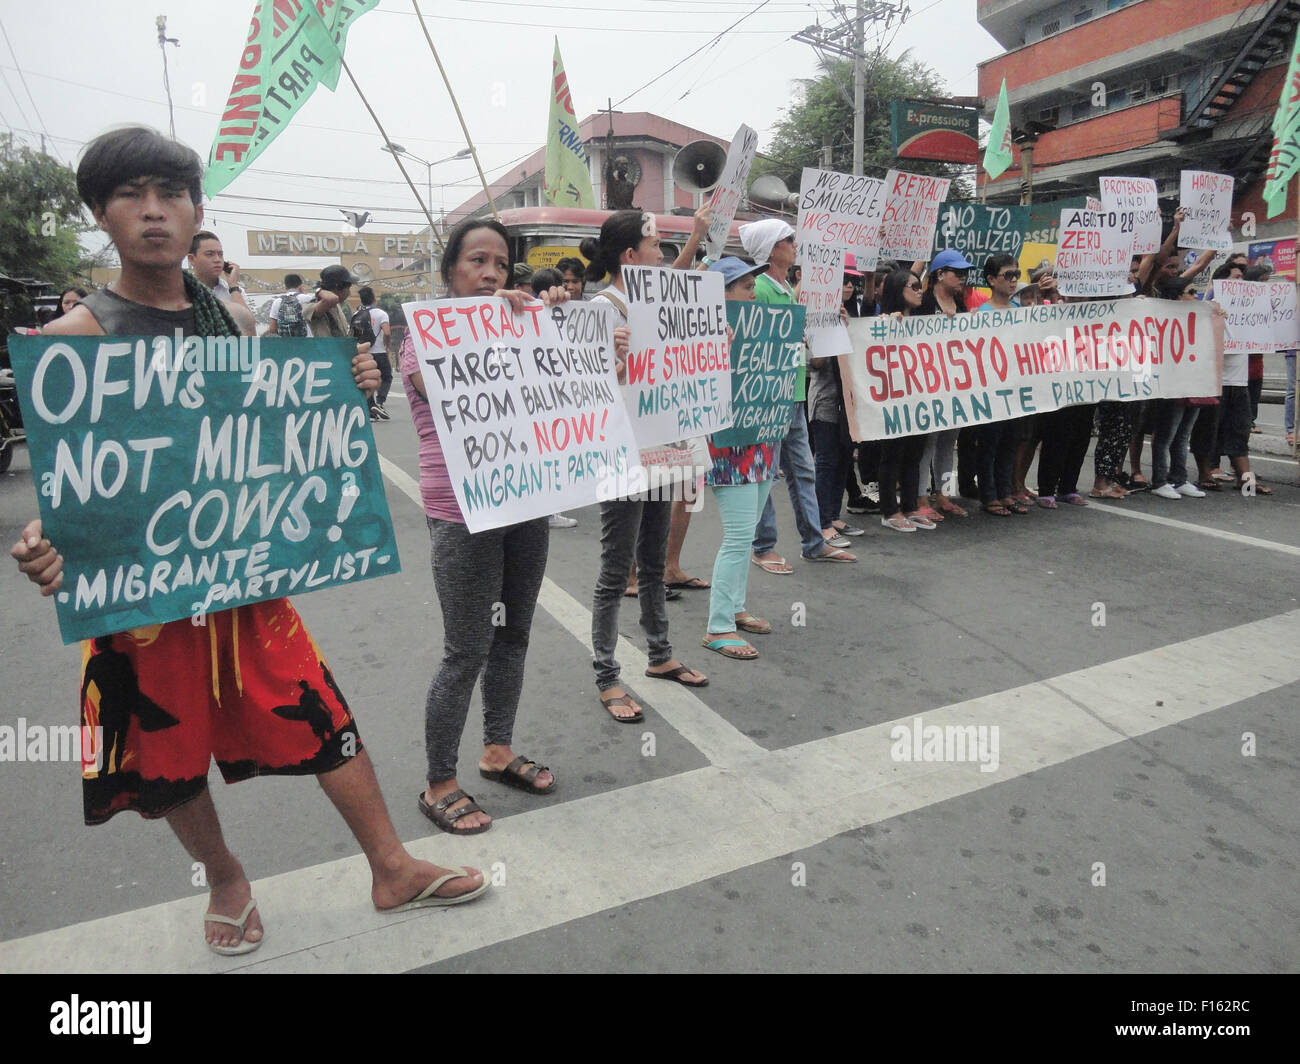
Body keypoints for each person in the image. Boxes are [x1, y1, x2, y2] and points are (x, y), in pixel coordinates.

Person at [11, 126, 486, 958]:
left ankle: (391, 866)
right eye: (131, 196)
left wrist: (349, 387)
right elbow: (72, 487)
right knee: (164, 749)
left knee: (319, 710)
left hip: (242, 573)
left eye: (171, 194)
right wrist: (47, 542)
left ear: (196, 209)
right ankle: (225, 877)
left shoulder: (228, 316)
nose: (153, 212)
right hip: (141, 600)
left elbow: (269, 432)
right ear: (100, 212)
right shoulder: (75, 342)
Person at [401, 217, 570, 829]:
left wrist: (574, 334)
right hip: (463, 514)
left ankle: (497, 750)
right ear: (450, 272)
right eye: (476, 260)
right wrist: (492, 327)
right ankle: (438, 780)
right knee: (465, 650)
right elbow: (440, 383)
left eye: (500, 263)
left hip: (526, 500)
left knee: (513, 636)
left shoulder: (528, 327)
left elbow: (574, 392)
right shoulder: (424, 336)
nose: (491, 273)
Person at [581, 209, 709, 722]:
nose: (662, 255)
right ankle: (607, 676)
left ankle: (660, 655)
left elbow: (678, 290)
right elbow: (582, 387)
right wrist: (613, 361)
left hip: (665, 448)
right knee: (617, 570)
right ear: (631, 256)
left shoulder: (656, 302)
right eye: (656, 246)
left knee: (653, 563)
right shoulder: (601, 309)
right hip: (622, 456)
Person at [743, 218, 856, 571]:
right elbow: (751, 341)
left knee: (803, 470)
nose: (795, 244)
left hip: (792, 392)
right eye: (789, 239)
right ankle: (763, 546)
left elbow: (800, 338)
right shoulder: (758, 289)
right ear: (774, 249)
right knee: (764, 474)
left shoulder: (787, 290)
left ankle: (813, 541)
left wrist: (830, 319)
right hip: (766, 394)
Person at [700, 257, 776, 660]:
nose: (753, 291)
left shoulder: (760, 328)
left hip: (762, 440)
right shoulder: (706, 336)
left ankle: (735, 608)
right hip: (731, 448)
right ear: (723, 293)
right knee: (738, 537)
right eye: (745, 286)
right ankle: (719, 626)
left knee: (745, 537)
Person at [807, 257, 866, 545]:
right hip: (826, 402)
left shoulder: (850, 313)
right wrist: (833, 329)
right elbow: (815, 363)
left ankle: (833, 514)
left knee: (844, 461)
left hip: (848, 404)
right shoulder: (818, 315)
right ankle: (821, 522)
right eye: (845, 280)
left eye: (853, 281)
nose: (850, 286)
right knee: (827, 462)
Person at [915, 249, 973, 522]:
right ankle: (920, 497)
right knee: (928, 442)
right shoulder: (923, 303)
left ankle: (944, 495)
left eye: (964, 273)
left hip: (955, 385)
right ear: (940, 274)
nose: (962, 278)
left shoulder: (962, 306)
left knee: (948, 442)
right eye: (957, 272)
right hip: (927, 385)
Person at [874, 269, 931, 532]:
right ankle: (889, 509)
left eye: (920, 286)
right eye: (914, 286)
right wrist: (885, 325)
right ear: (898, 290)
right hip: (893, 398)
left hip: (918, 396)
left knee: (914, 452)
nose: (920, 291)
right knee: (892, 453)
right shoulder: (882, 320)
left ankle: (909, 506)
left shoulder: (924, 321)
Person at [973, 254, 1028, 516]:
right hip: (991, 389)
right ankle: (988, 494)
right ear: (991, 280)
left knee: (1010, 441)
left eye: (1016, 275)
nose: (1013, 280)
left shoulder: (1020, 312)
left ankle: (1005, 492)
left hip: (1015, 388)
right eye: (1008, 275)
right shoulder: (981, 314)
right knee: (990, 443)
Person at [1148, 276, 1207, 500]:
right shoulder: (1162, 317)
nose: (1195, 296)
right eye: (1191, 292)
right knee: (1166, 435)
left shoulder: (1201, 317)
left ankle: (1179, 479)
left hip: (1194, 383)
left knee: (1183, 435)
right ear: (1176, 296)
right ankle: (1160, 480)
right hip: (1171, 384)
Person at [187, 230, 256, 337]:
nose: (217, 260)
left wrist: (233, 286)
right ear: (192, 259)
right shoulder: (182, 290)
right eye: (210, 254)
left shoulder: (234, 291)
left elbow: (248, 330)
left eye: (220, 254)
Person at [355, 286, 392, 421]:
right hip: (379, 352)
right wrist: (387, 346)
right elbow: (387, 332)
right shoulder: (381, 314)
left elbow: (354, 335)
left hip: (363, 353)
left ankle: (371, 408)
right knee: (387, 377)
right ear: (374, 298)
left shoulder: (356, 315)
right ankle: (380, 402)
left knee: (367, 379)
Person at [266, 273, 312, 338]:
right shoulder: (307, 298)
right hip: (306, 342)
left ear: (285, 287)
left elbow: (272, 329)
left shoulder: (277, 301)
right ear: (300, 286)